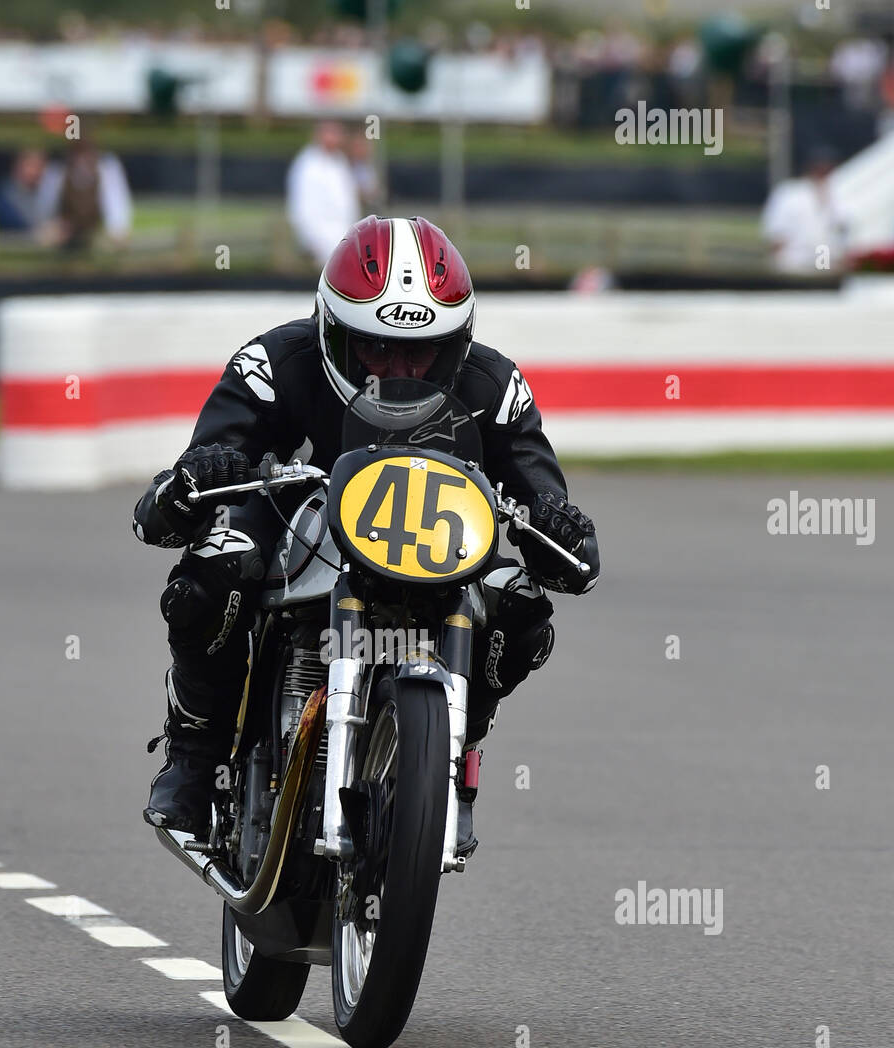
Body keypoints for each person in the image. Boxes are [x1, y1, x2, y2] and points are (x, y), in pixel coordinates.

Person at [133, 215, 600, 854]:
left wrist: (557, 524)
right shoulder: (276, 362)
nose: (396, 367)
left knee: (520, 605)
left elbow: (557, 518)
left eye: (419, 351)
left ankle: (454, 762)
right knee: (216, 566)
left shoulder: (494, 386)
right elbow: (172, 499)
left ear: (456, 343)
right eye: (376, 348)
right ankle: (195, 752)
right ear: (334, 332)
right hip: (300, 527)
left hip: (438, 546)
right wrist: (194, 479)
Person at [761, 147, 850, 275]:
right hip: (793, 264)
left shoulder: (837, 195)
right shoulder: (790, 193)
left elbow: (840, 233)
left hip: (825, 266)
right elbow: (776, 234)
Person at [36, 133, 133, 250]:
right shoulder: (56, 170)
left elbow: (118, 215)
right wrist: (55, 227)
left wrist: (114, 232)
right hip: (63, 239)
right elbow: (43, 216)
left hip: (97, 235)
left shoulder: (108, 168)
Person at [286, 121, 361, 266]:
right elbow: (302, 209)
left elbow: (347, 200)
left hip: (345, 235)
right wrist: (313, 242)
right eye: (331, 133)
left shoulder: (339, 161)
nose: (336, 138)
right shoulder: (307, 165)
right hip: (322, 238)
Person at [0, 149, 48, 238]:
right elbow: (14, 226)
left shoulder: (41, 191)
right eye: (32, 165)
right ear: (17, 165)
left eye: (41, 166)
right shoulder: (4, 194)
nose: (36, 171)